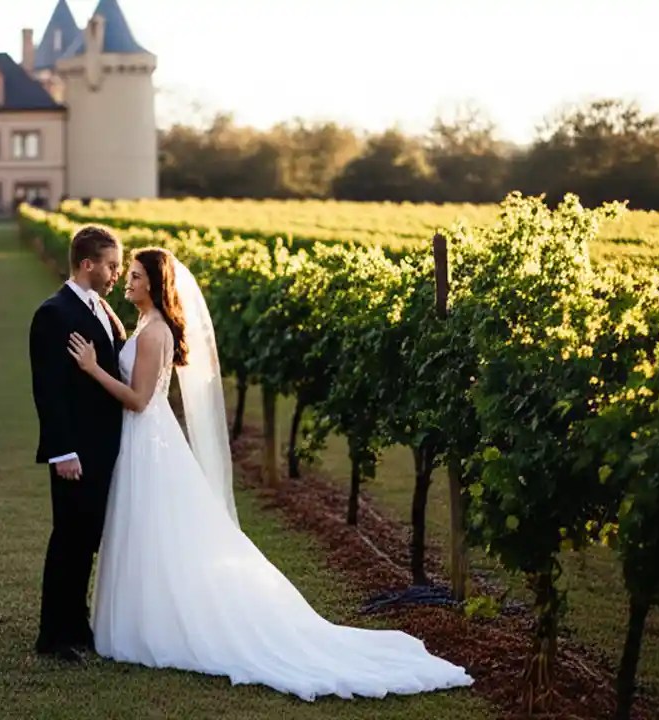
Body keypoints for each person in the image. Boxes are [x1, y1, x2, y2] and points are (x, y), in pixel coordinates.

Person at [64, 246, 475, 700]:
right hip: (148, 440)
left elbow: (139, 399)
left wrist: (92, 369)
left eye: (137, 276)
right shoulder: (144, 324)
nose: (129, 281)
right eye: (129, 275)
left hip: (148, 438)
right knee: (147, 532)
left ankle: (149, 625)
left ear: (156, 285)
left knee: (154, 532)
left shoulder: (155, 331)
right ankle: (138, 618)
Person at [28, 224, 126, 663]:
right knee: (69, 538)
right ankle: (54, 635)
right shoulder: (55, 313)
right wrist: (62, 450)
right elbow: (49, 390)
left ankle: (78, 624)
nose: (117, 274)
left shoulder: (101, 308)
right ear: (87, 264)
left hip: (104, 446)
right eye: (111, 265)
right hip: (78, 450)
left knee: (86, 537)